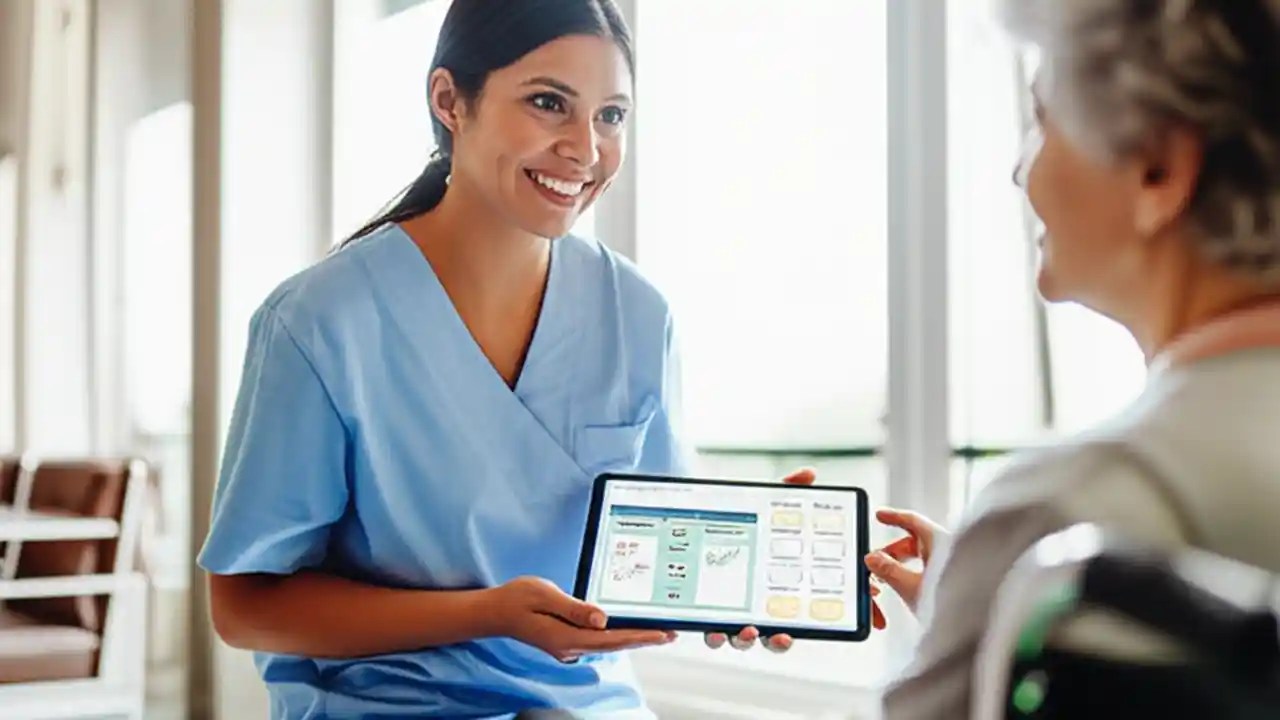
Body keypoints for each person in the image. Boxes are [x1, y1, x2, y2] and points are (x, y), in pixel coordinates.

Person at [198, 1, 799, 718]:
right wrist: (487, 613)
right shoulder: (320, 323)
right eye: (549, 103)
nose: (585, 148)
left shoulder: (638, 315)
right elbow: (245, 605)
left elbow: (647, 555)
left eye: (611, 116)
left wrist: (742, 573)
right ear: (450, 101)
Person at [858, 0, 1280, 716]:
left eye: (1041, 119)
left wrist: (1000, 578)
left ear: (1159, 168)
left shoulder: (1062, 517)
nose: (1020, 174)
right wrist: (979, 621)